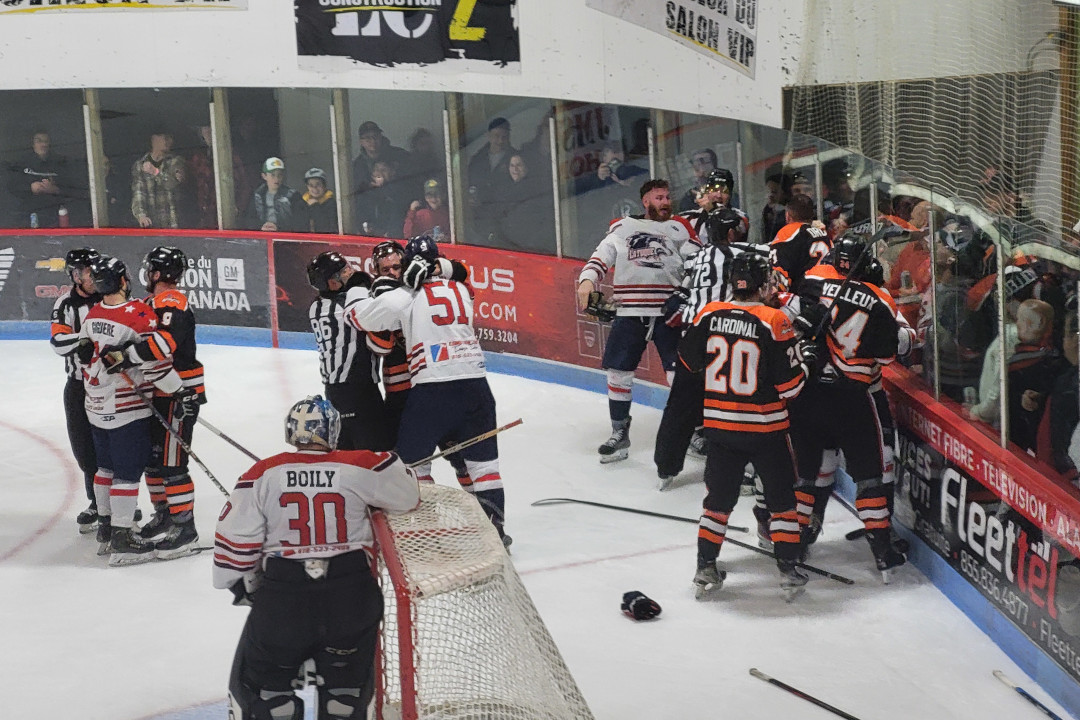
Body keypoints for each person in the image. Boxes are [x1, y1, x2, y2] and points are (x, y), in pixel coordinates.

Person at [214, 395, 419, 720]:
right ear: (333, 430)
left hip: (284, 601)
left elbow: (234, 543)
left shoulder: (265, 471)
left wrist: (246, 585)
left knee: (266, 689)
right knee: (347, 692)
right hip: (350, 599)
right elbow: (408, 496)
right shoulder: (362, 463)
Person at [344, 234, 511, 545]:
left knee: (411, 465)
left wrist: (358, 289)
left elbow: (358, 318)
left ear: (408, 264)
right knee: (485, 467)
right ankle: (496, 532)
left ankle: (424, 532)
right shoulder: (462, 289)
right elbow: (458, 271)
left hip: (433, 389)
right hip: (476, 385)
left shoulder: (404, 296)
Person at [677, 253, 811, 599]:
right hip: (766, 429)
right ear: (763, 284)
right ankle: (788, 567)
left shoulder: (709, 313)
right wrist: (805, 359)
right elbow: (791, 387)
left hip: (720, 428)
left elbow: (688, 361)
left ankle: (705, 564)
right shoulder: (775, 320)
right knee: (782, 501)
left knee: (717, 501)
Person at [790, 236, 906, 581]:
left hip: (807, 395)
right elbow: (889, 354)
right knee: (869, 477)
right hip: (854, 397)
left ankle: (795, 545)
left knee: (805, 475)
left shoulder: (810, 281)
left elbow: (790, 326)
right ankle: (883, 553)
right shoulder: (880, 298)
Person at [77, 256, 192, 566]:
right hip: (127, 408)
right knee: (128, 473)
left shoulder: (92, 315)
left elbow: (83, 356)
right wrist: (179, 390)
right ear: (124, 281)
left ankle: (105, 527)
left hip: (95, 406)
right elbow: (156, 366)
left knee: (105, 469)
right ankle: (123, 537)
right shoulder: (139, 314)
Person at [575, 178, 700, 462]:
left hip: (669, 312)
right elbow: (601, 256)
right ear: (645, 201)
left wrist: (683, 292)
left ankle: (695, 431)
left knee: (680, 375)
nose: (666, 202)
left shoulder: (679, 228)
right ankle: (619, 432)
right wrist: (586, 281)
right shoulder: (623, 227)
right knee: (618, 372)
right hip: (630, 311)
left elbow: (698, 263)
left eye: (667, 197)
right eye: (659, 198)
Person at [100, 247, 207, 559]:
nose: (146, 274)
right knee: (154, 460)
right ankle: (165, 515)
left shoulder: (171, 300)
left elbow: (165, 344)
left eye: (150, 269)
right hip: (157, 393)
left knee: (173, 465)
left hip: (179, 394)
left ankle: (185, 529)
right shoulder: (149, 303)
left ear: (159, 273)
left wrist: (127, 355)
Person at [654, 207, 758, 489]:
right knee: (737, 405)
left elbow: (685, 291)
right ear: (732, 232)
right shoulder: (746, 252)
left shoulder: (697, 256)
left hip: (691, 339)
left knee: (680, 405)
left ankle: (666, 467)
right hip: (725, 338)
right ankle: (746, 471)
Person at [306, 251, 389, 451]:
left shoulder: (316, 307)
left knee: (345, 455)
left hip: (334, 393)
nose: (349, 274)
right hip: (359, 391)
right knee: (374, 456)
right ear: (332, 283)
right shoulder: (345, 308)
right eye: (343, 273)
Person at [51, 247, 103, 531]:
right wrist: (85, 341)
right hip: (79, 387)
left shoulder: (109, 299)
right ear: (74, 275)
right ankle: (97, 502)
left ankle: (117, 504)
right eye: (85, 271)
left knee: (111, 447)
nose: (91, 276)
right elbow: (58, 343)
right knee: (85, 449)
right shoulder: (66, 305)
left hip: (109, 387)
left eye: (93, 270)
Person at [6, 130, 79, 228]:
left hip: (56, 215)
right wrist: (30, 187)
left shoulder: (61, 162)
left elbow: (75, 189)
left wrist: (55, 189)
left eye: (46, 141)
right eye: (39, 141)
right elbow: (11, 186)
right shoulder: (21, 163)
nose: (43, 144)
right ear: (32, 144)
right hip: (28, 215)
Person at [187, 123, 250, 230]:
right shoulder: (197, 158)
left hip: (227, 221)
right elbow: (190, 187)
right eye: (205, 130)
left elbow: (245, 186)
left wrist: (238, 207)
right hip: (204, 221)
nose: (208, 134)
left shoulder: (231, 157)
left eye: (211, 130)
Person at [768, 193, 831, 293]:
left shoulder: (788, 232)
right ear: (812, 215)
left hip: (802, 296)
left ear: (787, 215)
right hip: (827, 291)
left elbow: (780, 277)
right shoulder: (824, 233)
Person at [131, 130, 186, 229]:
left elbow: (172, 183)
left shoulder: (176, 161)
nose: (167, 140)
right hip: (152, 225)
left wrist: (155, 172)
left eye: (169, 137)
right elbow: (139, 192)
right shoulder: (140, 164)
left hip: (174, 222)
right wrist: (141, 215)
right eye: (162, 136)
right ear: (153, 139)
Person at [350, 120, 411, 203]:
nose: (373, 141)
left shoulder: (400, 156)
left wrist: (389, 181)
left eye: (375, 136)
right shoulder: (357, 165)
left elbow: (410, 184)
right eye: (367, 138)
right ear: (361, 142)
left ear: (381, 137)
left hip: (398, 207)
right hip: (370, 211)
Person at [466, 117, 517, 208]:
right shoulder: (476, 160)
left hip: (507, 214)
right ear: (488, 136)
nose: (500, 141)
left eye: (504, 137)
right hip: (480, 215)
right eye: (496, 136)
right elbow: (468, 184)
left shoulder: (517, 159)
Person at [356, 160, 411, 238]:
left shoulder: (400, 191)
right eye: (376, 170)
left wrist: (383, 187)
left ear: (392, 172)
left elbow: (398, 216)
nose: (379, 173)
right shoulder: (365, 193)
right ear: (372, 174)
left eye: (383, 170)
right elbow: (360, 216)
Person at [248, 157, 298, 232]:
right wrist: (260, 227)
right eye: (272, 175)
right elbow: (249, 220)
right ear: (264, 176)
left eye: (279, 175)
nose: (276, 179)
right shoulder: (256, 196)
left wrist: (279, 228)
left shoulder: (293, 196)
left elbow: (299, 223)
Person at [294, 168, 339, 234]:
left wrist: (315, 207)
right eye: (311, 185)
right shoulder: (302, 203)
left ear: (324, 185)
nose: (314, 188)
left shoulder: (332, 204)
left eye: (318, 184)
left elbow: (328, 228)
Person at [677, 148, 718, 212]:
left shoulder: (724, 194)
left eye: (705, 162)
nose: (701, 167)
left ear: (714, 166)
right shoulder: (688, 198)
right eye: (697, 163)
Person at [761, 172, 792, 245]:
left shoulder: (792, 211)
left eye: (774, 192)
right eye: (768, 192)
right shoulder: (767, 209)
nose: (770, 195)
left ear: (785, 193)